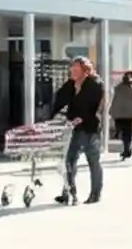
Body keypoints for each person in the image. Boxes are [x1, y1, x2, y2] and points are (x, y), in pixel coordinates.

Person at [50, 57, 105, 206]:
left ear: (85, 71)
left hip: (89, 128)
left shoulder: (95, 85)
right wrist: (53, 116)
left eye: (76, 69)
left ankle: (95, 194)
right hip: (73, 129)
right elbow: (59, 100)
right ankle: (68, 192)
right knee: (69, 160)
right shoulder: (70, 85)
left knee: (93, 161)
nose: (72, 72)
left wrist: (83, 118)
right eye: (71, 69)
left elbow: (96, 107)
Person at [110, 71, 132, 160]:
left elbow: (114, 100)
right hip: (128, 114)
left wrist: (111, 111)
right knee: (128, 133)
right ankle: (129, 148)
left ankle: (127, 149)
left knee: (123, 133)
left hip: (118, 114)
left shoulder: (117, 88)